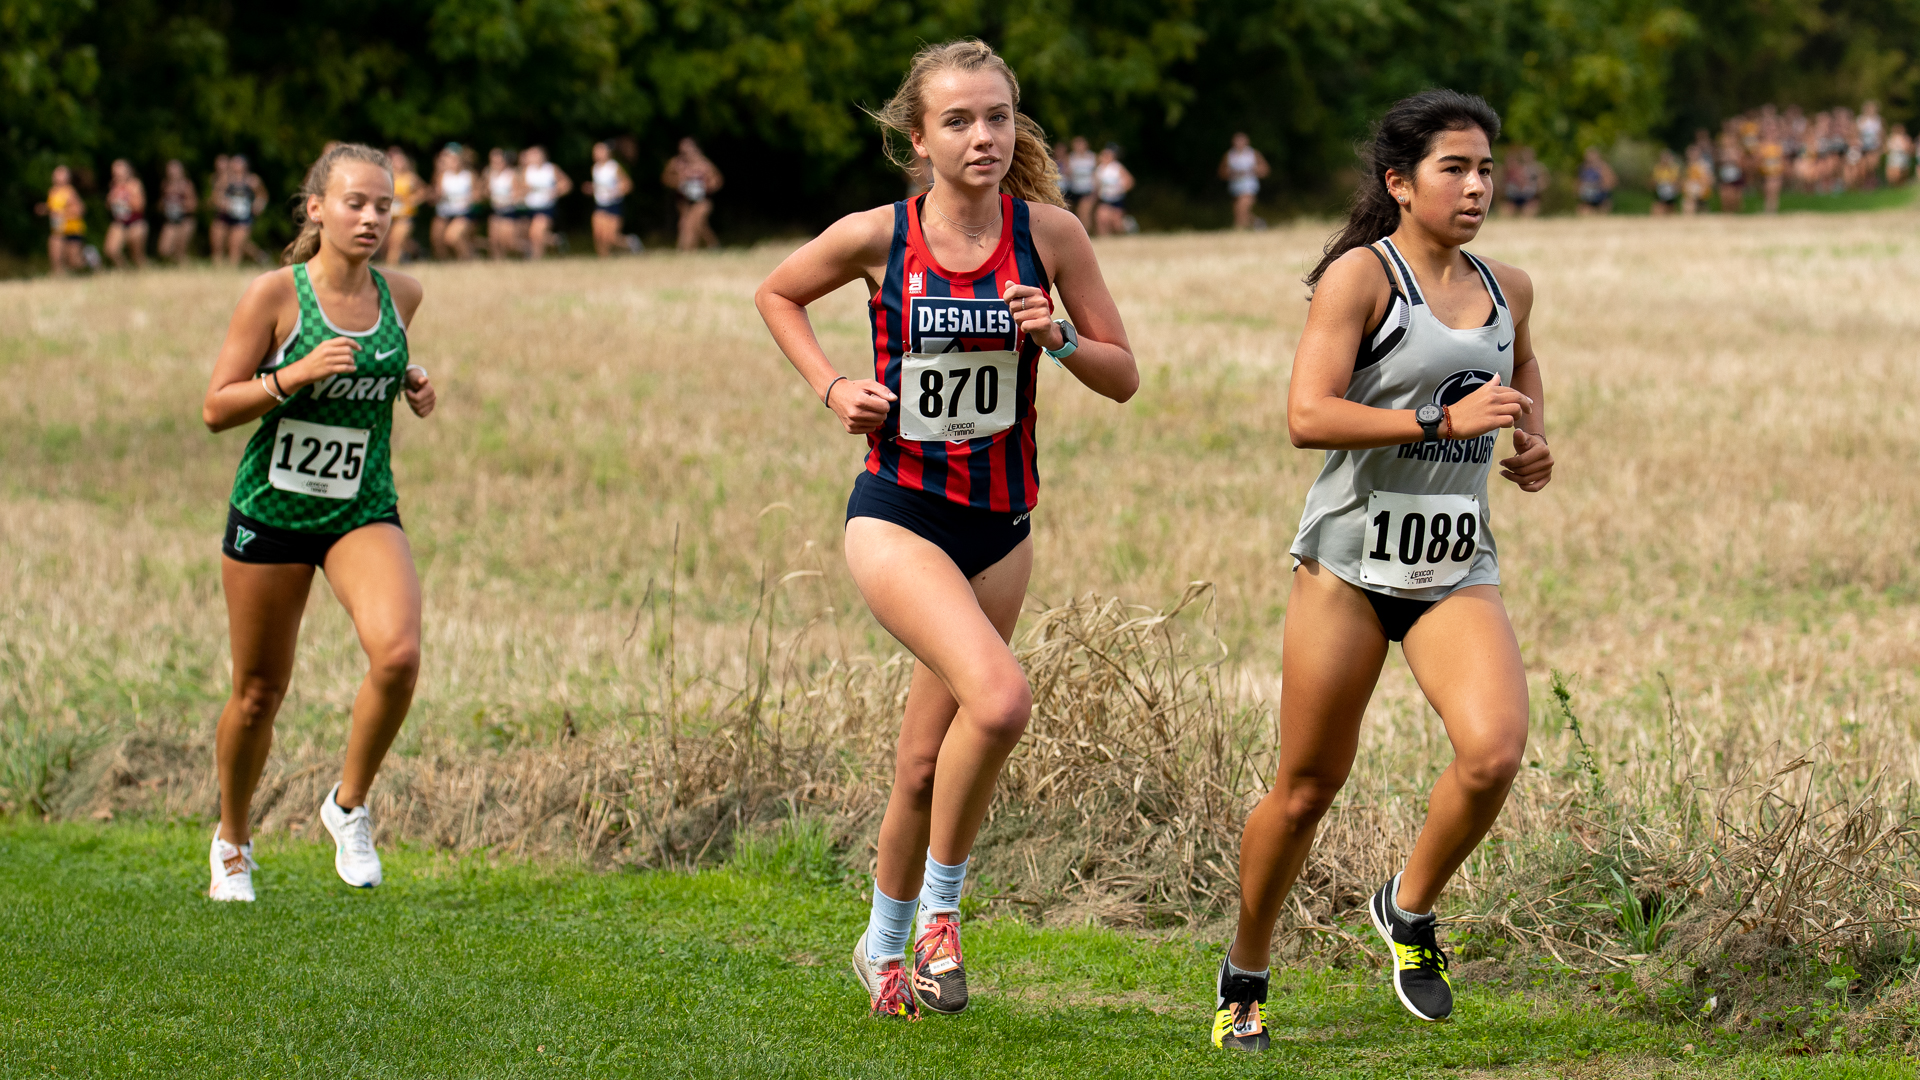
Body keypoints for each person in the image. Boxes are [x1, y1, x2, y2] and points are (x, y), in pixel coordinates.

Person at [754, 38, 1138, 1021]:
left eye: (998, 117)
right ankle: (940, 915)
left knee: (925, 762)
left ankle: (880, 952)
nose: (983, 136)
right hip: (898, 511)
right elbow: (777, 293)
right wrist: (831, 384)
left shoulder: (1050, 236)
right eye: (959, 120)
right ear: (918, 138)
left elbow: (1123, 375)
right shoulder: (878, 236)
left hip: (1001, 526)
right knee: (1001, 703)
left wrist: (1055, 334)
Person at [1214, 88, 1552, 1052]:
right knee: (1307, 786)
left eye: (1486, 167)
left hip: (1455, 567)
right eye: (1455, 168)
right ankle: (1246, 968)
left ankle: (1407, 909)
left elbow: (1520, 378)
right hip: (1347, 568)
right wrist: (1437, 421)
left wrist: (1532, 446)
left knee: (1492, 752)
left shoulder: (1509, 285)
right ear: (1400, 183)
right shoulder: (1363, 279)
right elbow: (1306, 416)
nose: (1477, 185)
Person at [198, 143, 437, 903]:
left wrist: (413, 382)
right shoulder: (275, 296)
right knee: (260, 692)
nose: (371, 217)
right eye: (355, 203)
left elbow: (384, 360)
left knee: (397, 656)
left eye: (384, 205)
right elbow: (215, 408)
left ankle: (348, 805)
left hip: (360, 509)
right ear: (316, 209)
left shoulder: (403, 292)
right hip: (271, 511)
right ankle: (233, 841)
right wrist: (292, 375)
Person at [663, 138, 722, 251]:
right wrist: (677, 181)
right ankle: (709, 246)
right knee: (687, 224)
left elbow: (717, 180)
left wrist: (708, 186)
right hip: (684, 200)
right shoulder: (676, 163)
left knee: (693, 223)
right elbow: (666, 178)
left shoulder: (704, 164)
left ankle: (688, 250)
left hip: (702, 200)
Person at [518, 145, 570, 259]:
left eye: (535, 154)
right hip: (530, 207)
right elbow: (519, 189)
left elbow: (566, 184)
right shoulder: (526, 170)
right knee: (530, 235)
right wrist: (524, 191)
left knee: (536, 233)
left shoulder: (551, 169)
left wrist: (556, 191)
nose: (531, 157)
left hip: (546, 207)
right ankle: (557, 240)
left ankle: (536, 259)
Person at [584, 140, 635, 257]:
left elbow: (627, 184)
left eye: (601, 151)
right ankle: (603, 258)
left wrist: (616, 192)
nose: (598, 153)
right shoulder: (595, 168)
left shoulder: (613, 167)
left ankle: (631, 243)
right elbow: (600, 187)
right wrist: (592, 189)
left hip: (613, 204)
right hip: (600, 204)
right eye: (596, 151)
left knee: (611, 237)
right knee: (598, 234)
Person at [36, 165, 87, 275]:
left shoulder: (70, 192)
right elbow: (53, 208)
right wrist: (44, 209)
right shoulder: (52, 191)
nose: (57, 176)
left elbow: (80, 210)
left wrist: (64, 213)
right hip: (58, 229)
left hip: (72, 229)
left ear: (67, 177)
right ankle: (57, 275)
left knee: (74, 262)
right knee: (55, 253)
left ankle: (89, 257)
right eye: (56, 174)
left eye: (60, 174)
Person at [218, 156, 269, 266]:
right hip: (227, 215)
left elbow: (262, 196)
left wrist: (258, 206)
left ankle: (233, 269)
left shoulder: (252, 180)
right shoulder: (226, 180)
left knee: (236, 244)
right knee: (230, 242)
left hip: (244, 217)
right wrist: (223, 202)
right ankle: (261, 256)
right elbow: (218, 194)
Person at [430, 145, 477, 260]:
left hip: (463, 212)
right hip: (445, 212)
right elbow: (436, 196)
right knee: (436, 239)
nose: (451, 162)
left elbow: (478, 194)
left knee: (452, 237)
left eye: (454, 159)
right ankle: (446, 264)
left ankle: (467, 260)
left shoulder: (468, 175)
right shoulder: (442, 176)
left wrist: (470, 199)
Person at [381, 147, 426, 264]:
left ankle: (391, 267)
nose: (399, 164)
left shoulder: (410, 177)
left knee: (396, 242)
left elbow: (423, 192)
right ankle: (418, 254)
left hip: (405, 215)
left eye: (401, 160)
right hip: (389, 216)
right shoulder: (386, 177)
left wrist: (410, 200)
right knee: (387, 243)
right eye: (395, 161)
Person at [103, 160, 149, 270]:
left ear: (128, 171)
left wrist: (123, 200)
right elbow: (109, 206)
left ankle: (146, 273)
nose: (116, 172)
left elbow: (140, 206)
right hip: (119, 222)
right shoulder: (114, 185)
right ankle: (125, 270)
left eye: (119, 169)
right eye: (114, 170)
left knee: (137, 256)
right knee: (110, 250)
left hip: (135, 222)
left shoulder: (135, 184)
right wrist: (111, 200)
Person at [1220, 132, 1270, 230]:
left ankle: (1239, 230)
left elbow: (1265, 170)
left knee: (1241, 207)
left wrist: (1255, 170)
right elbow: (1222, 172)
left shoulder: (1253, 154)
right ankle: (1258, 224)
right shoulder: (1229, 155)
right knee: (1239, 211)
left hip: (1249, 187)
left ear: (1247, 142)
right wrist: (1229, 173)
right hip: (1235, 187)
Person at [157, 159, 199, 263]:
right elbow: (162, 203)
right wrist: (164, 206)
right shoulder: (165, 184)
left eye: (175, 169)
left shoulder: (187, 185)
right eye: (170, 169)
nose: (172, 172)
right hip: (170, 221)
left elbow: (193, 205)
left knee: (180, 250)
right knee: (163, 250)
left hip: (185, 220)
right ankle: (175, 265)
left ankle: (184, 271)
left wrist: (179, 205)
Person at [484, 147, 523, 259]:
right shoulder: (489, 173)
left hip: (509, 210)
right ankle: (498, 264)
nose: (496, 164)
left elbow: (519, 192)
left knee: (509, 242)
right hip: (496, 210)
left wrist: (508, 199)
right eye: (493, 161)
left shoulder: (511, 174)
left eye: (499, 161)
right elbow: (485, 191)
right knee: (494, 241)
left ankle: (527, 251)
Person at [1093, 143, 1134, 236]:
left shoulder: (1117, 167)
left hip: (1117, 199)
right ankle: (1103, 239)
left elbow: (1130, 181)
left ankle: (1128, 230)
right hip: (1105, 198)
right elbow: (1097, 184)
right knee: (1101, 218)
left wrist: (1121, 190)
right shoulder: (1099, 169)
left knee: (1116, 224)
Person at [1499, 146, 1545, 218]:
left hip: (1529, 196)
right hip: (1513, 196)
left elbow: (1543, 182)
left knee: (1527, 215)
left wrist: (1538, 191)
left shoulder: (1537, 168)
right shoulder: (1514, 168)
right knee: (1506, 214)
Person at [1065, 135, 1098, 230]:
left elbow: (1096, 174)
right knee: (1068, 212)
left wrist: (1096, 190)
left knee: (1083, 212)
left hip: (1087, 190)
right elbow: (1066, 175)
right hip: (1074, 190)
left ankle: (1086, 233)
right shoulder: (1070, 158)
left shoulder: (1092, 157)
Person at [1756, 120, 1787, 213]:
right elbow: (1758, 160)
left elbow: (1782, 160)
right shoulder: (1761, 145)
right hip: (1764, 173)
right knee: (1768, 190)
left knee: (1774, 190)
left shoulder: (1779, 145)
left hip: (1776, 172)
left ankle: (1772, 210)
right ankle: (1768, 209)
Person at [1574, 146, 1615, 215]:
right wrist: (1578, 192)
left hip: (1601, 197)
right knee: (1583, 212)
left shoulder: (1603, 167)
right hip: (1587, 198)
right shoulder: (1583, 168)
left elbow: (1612, 181)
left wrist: (1603, 186)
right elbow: (1578, 182)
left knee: (1603, 212)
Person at [1715, 130, 1746, 213]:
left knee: (1736, 197)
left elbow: (1741, 164)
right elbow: (1718, 164)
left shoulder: (1738, 151)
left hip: (1736, 175)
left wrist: (1734, 160)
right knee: (1725, 195)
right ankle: (1726, 212)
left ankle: (1737, 212)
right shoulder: (1720, 152)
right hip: (1725, 175)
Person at [1649, 148, 1681, 216]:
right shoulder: (1658, 168)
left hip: (1671, 192)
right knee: (1657, 209)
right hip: (1660, 192)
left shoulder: (1674, 168)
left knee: (1671, 211)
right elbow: (1654, 181)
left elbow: (1677, 182)